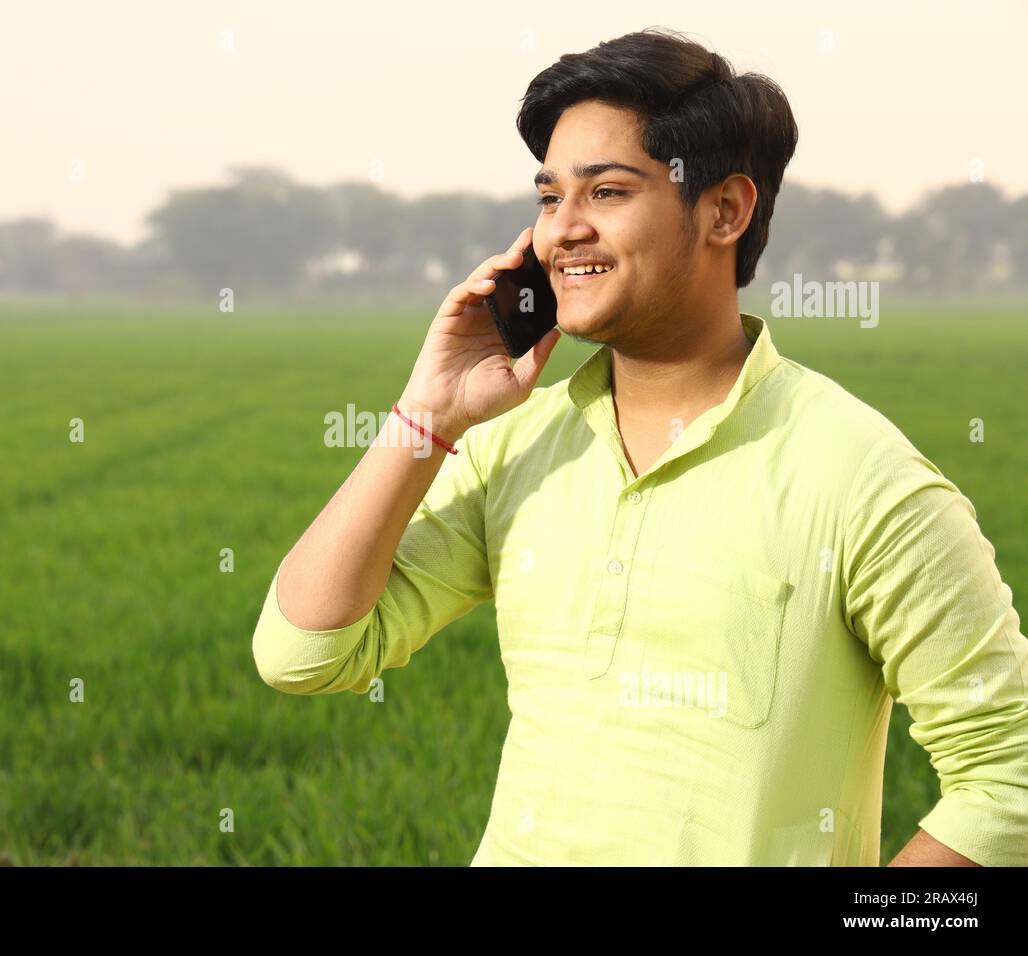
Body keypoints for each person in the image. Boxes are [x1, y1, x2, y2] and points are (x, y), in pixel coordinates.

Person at [251, 28, 1028, 866]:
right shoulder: (513, 446)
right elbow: (303, 655)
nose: (560, 234)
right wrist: (427, 419)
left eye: (607, 193)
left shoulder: (862, 478)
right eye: (549, 199)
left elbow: (1007, 780)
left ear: (725, 209)